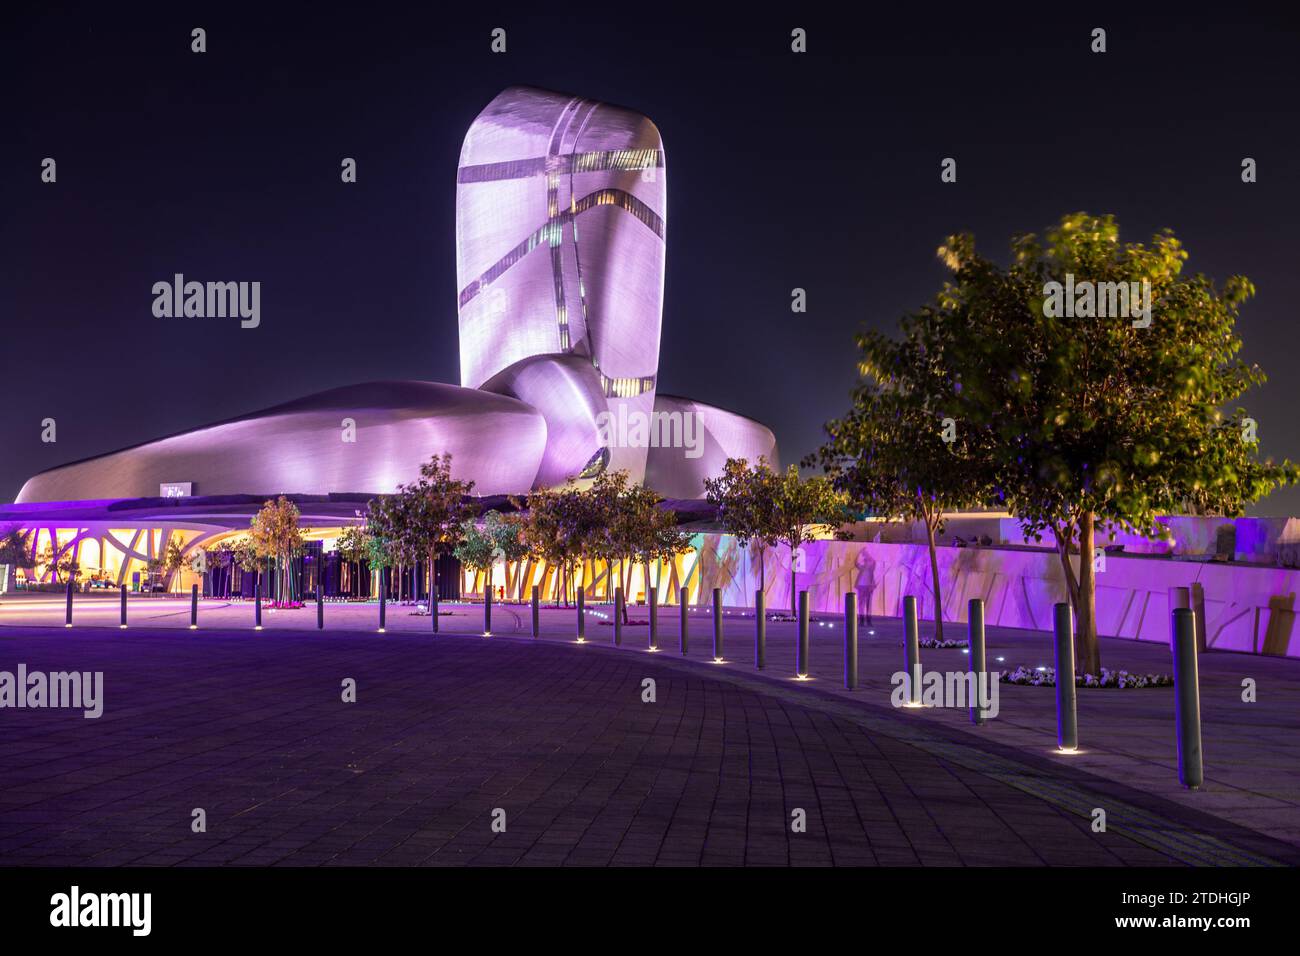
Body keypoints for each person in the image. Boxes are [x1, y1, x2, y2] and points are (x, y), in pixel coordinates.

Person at [853, 548, 876, 627]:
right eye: (865, 561)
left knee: (868, 604)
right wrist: (859, 552)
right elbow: (855, 563)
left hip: (869, 587)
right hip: (861, 587)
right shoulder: (861, 568)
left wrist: (866, 553)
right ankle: (861, 621)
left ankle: (869, 621)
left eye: (868, 561)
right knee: (861, 604)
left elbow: (873, 561)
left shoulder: (871, 569)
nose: (867, 563)